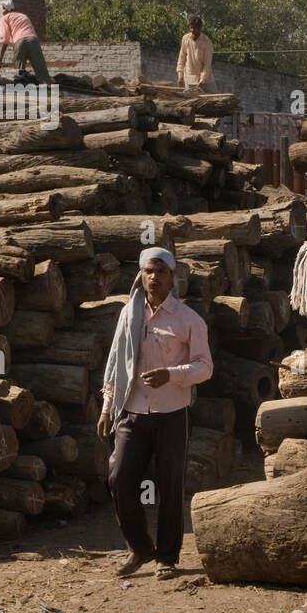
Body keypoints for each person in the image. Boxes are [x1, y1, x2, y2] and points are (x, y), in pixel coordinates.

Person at [99, 248, 212, 579]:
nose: (154, 277)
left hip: (171, 413)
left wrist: (172, 374)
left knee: (170, 485)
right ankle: (140, 547)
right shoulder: (129, 313)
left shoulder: (188, 319)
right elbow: (116, 364)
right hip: (132, 411)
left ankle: (166, 557)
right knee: (119, 477)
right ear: (141, 274)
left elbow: (205, 367)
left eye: (161, 271)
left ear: (172, 277)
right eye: (149, 270)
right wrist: (107, 406)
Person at [0, 1, 52, 84]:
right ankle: (49, 90)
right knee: (41, 70)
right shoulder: (23, 16)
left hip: (20, 42)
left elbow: (5, 39)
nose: (2, 13)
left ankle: (21, 92)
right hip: (33, 40)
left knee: (19, 73)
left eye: (2, 10)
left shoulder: (5, 18)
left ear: (5, 10)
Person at [176, 14, 214, 92]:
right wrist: (180, 76)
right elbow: (181, 57)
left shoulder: (207, 42)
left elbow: (207, 64)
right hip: (189, 79)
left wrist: (202, 80)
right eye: (191, 27)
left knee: (217, 101)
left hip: (206, 81)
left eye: (195, 28)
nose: (192, 30)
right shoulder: (185, 39)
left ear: (200, 28)